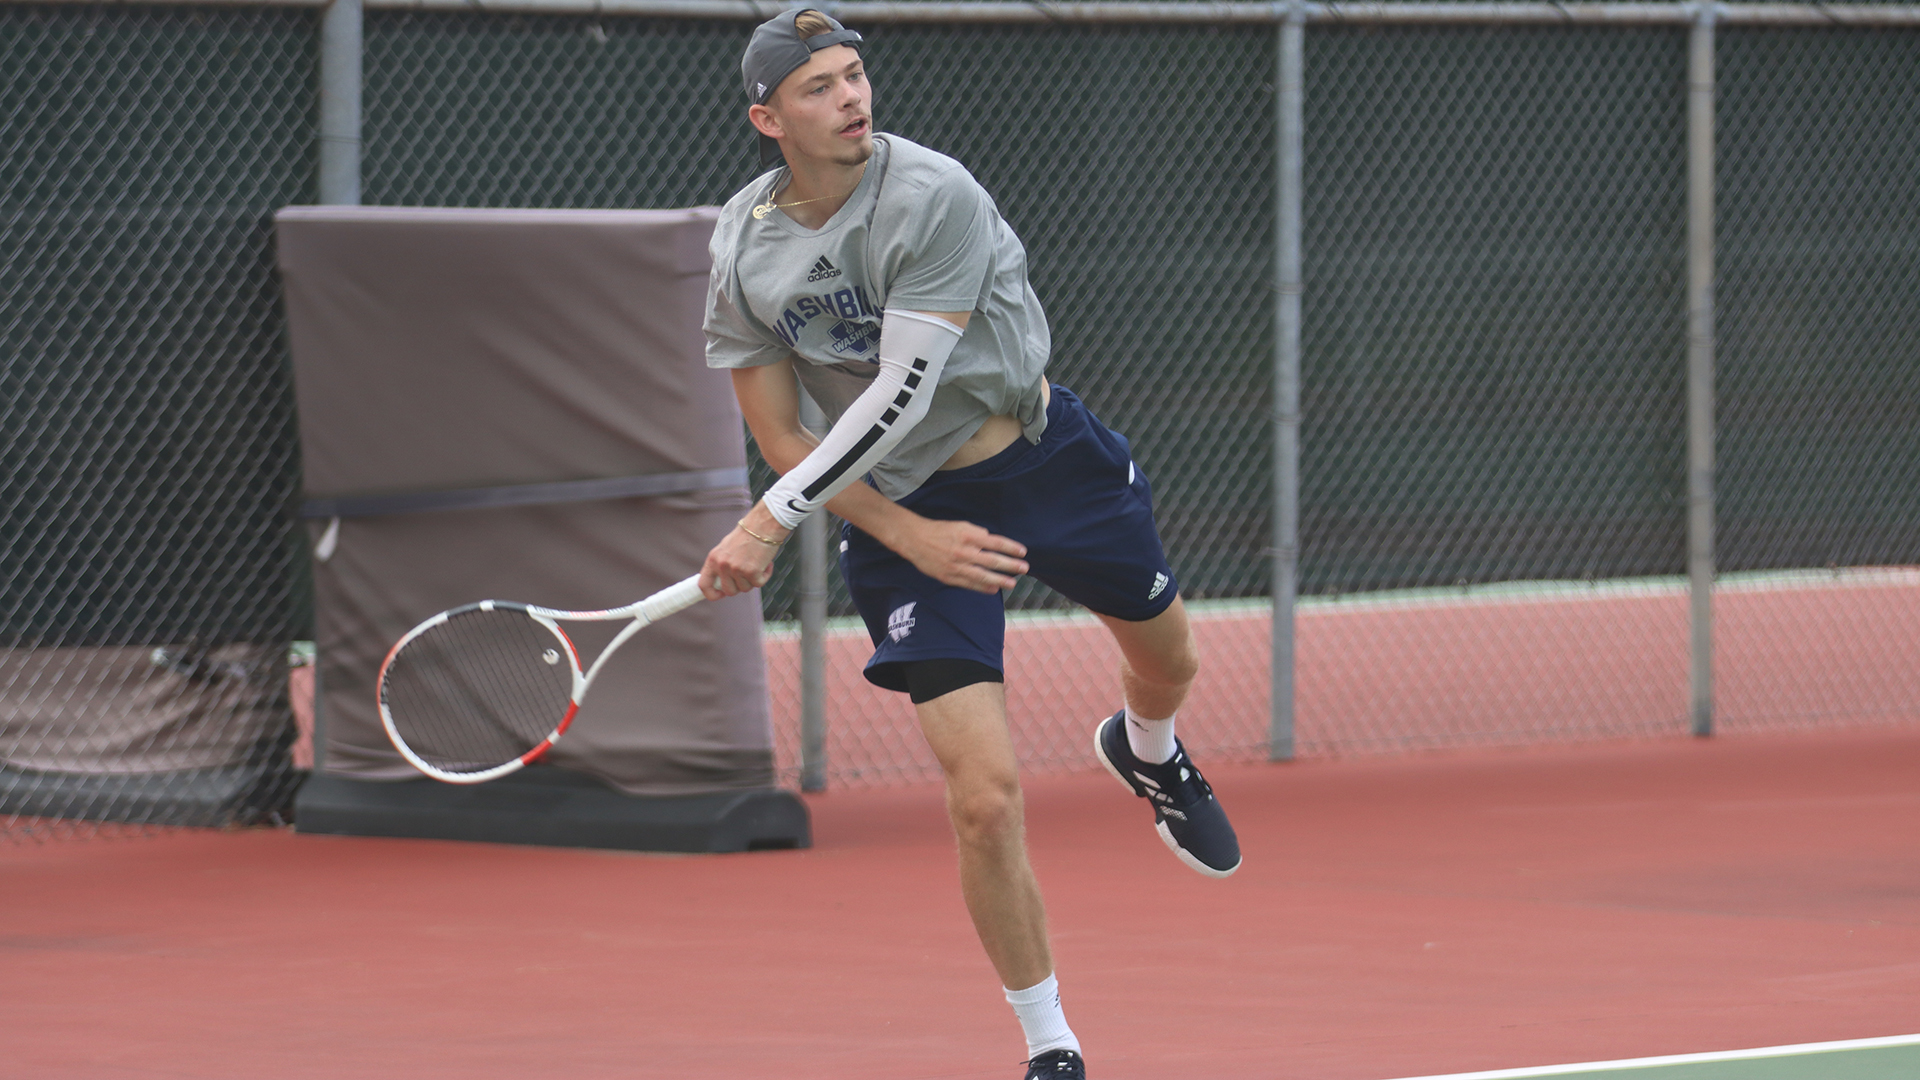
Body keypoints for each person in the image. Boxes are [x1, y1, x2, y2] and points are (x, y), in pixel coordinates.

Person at [698, 11, 1240, 1078]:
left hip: (1045, 463)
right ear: (769, 119)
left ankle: (1147, 748)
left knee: (1171, 658)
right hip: (894, 513)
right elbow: (782, 434)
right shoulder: (741, 248)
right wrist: (907, 531)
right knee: (983, 797)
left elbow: (900, 389)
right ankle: (1051, 1046)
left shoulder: (933, 193)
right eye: (819, 87)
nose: (851, 98)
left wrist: (769, 523)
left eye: (855, 75)